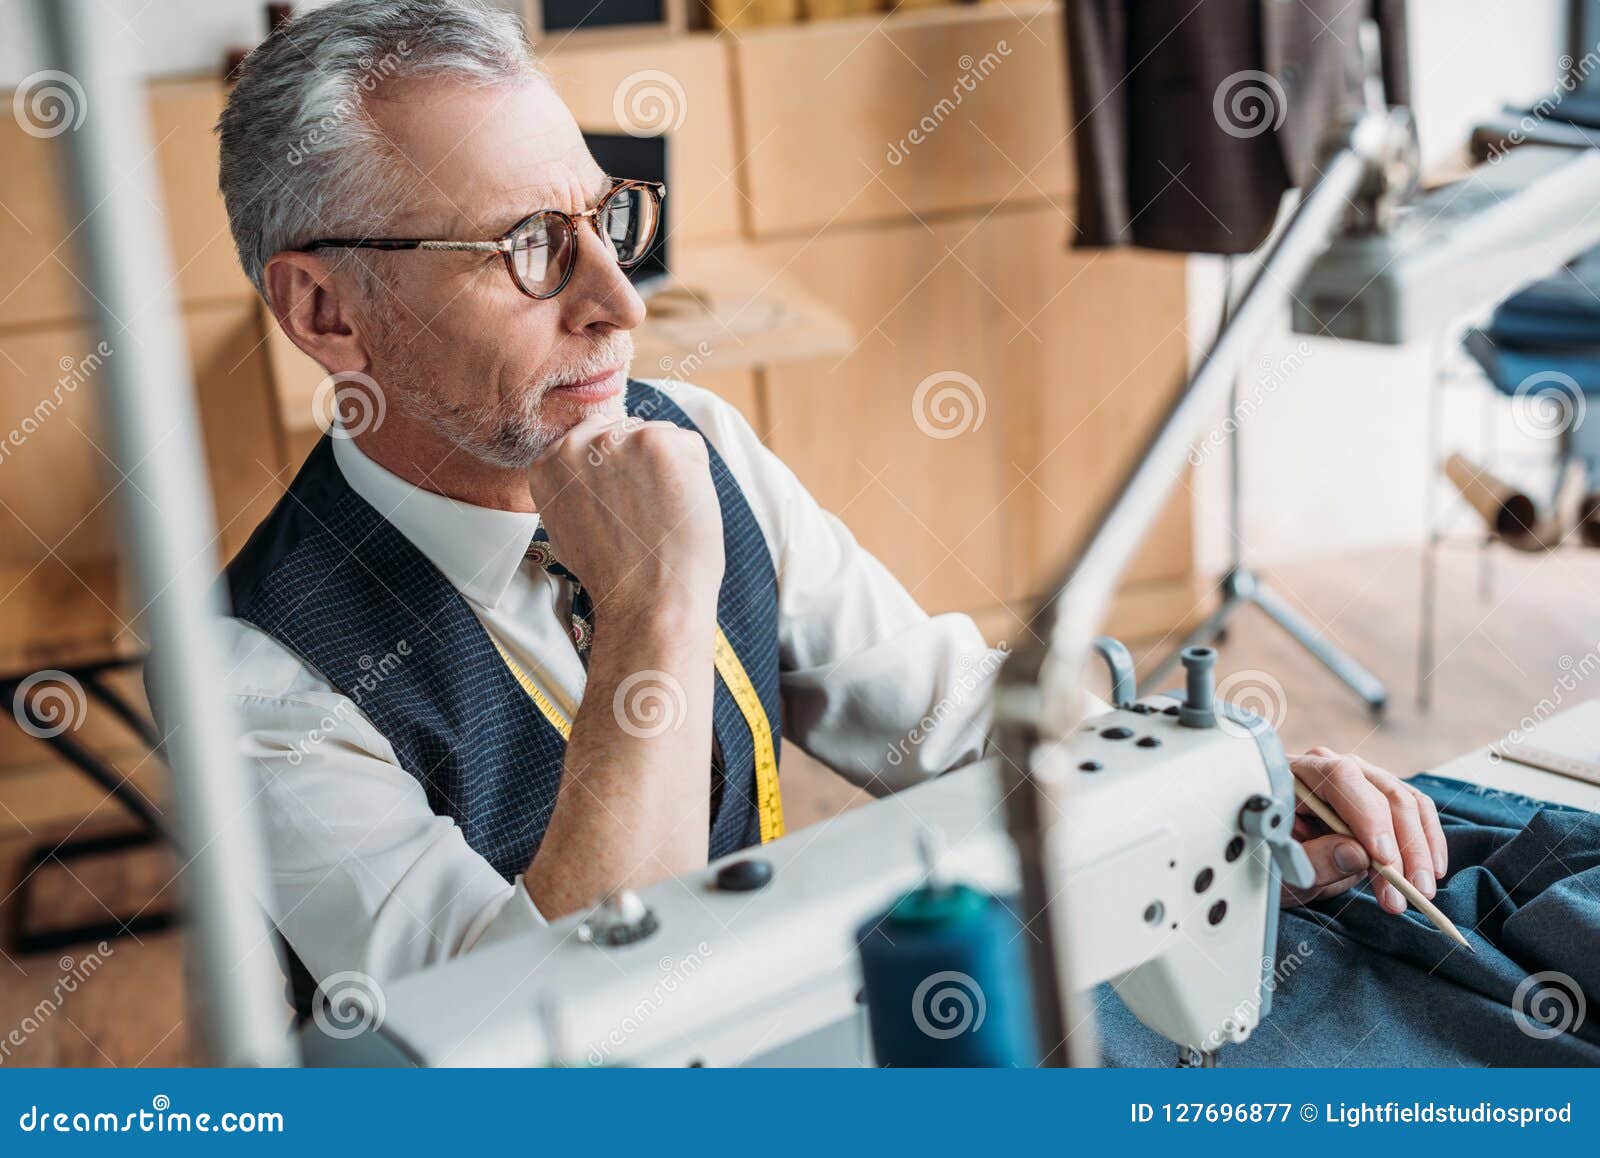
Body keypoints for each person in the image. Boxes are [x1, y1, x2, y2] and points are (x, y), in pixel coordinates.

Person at [209, 0, 1447, 999]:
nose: (620, 304)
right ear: (325, 311)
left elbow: (958, 724)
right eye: (527, 248)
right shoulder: (256, 681)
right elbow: (548, 1044)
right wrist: (653, 605)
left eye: (606, 219)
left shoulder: (709, 447)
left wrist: (1236, 780)